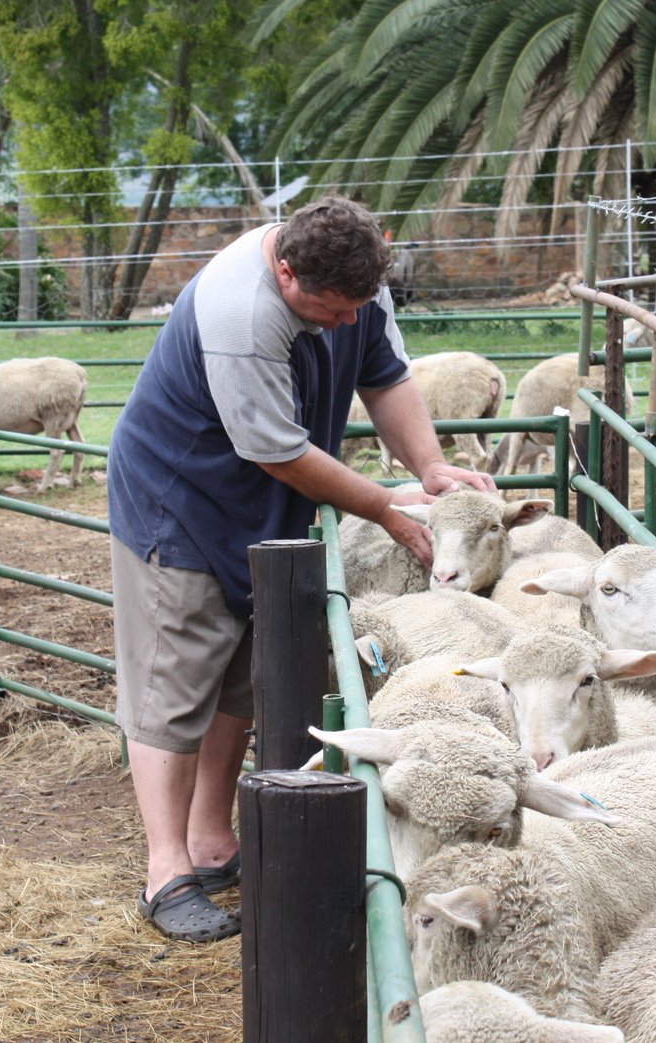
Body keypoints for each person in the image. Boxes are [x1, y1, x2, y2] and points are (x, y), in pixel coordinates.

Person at [107, 196, 496, 943]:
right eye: (333, 309)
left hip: (266, 504)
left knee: (241, 674)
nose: (349, 321)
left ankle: (211, 839)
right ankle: (164, 872)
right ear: (286, 272)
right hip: (180, 502)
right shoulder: (239, 313)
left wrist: (432, 467)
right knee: (172, 680)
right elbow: (276, 449)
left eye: (359, 305)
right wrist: (385, 506)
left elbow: (385, 376)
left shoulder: (356, 280)